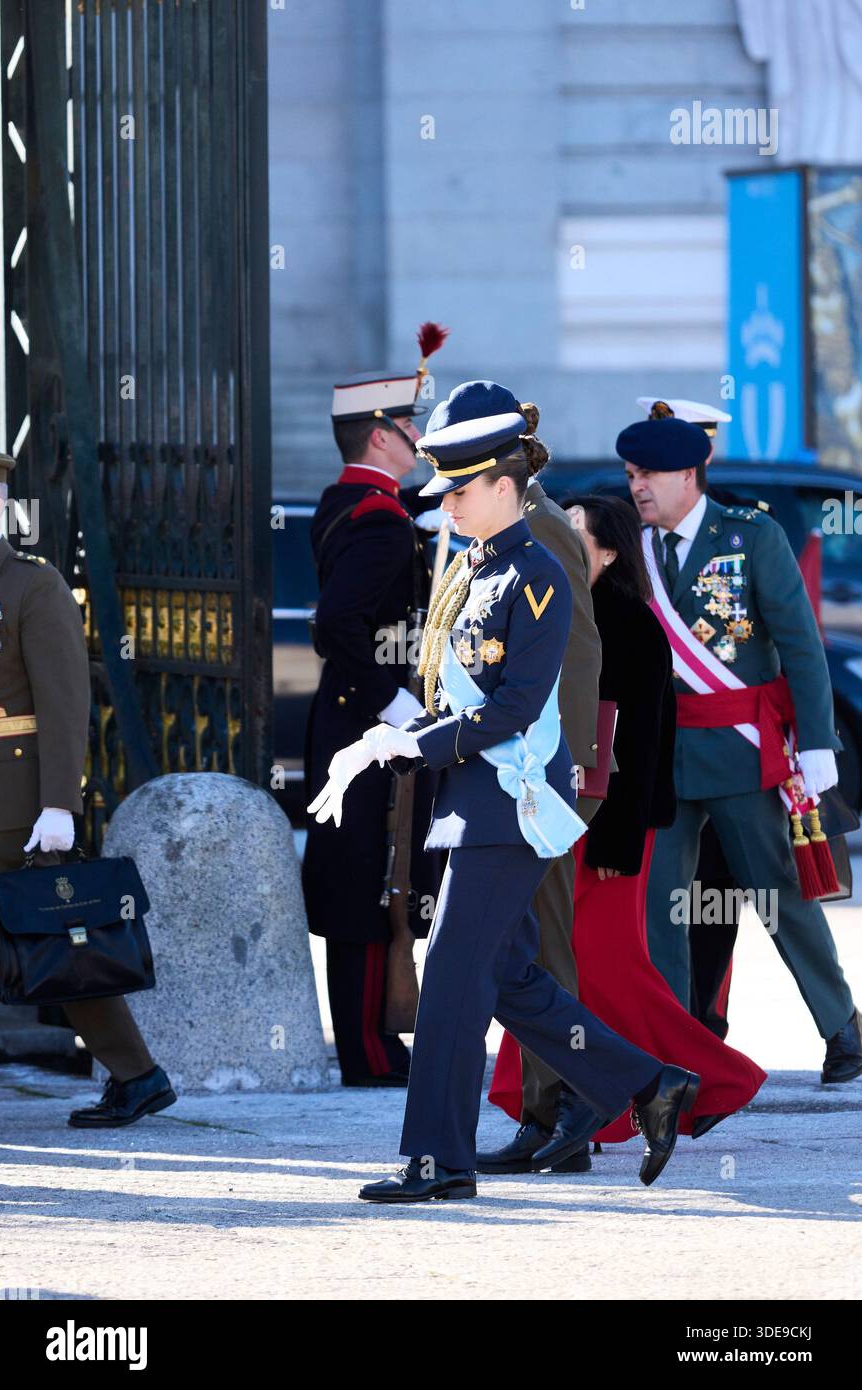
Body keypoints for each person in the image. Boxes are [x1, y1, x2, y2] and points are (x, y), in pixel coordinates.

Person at [308, 383, 700, 1202]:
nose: (443, 502)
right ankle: (647, 1083)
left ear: (502, 486)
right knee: (512, 979)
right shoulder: (476, 567)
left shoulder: (537, 574)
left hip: (511, 804)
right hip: (473, 802)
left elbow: (515, 706)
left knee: (453, 984)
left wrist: (400, 743)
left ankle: (436, 1161)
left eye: (457, 488)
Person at [488, 494, 767, 1152]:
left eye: (573, 534)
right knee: (560, 967)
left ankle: (697, 1081)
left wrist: (616, 837)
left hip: (610, 831)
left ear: (608, 551)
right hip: (564, 820)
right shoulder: (556, 612)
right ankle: (575, 1109)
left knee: (609, 972)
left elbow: (641, 745)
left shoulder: (630, 622)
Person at [619, 415, 862, 1088]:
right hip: (663, 757)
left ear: (687, 475)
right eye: (631, 475)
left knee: (778, 892)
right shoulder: (632, 548)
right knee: (662, 905)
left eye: (647, 476)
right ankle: (676, 1044)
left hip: (740, 752)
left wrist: (817, 742)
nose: (636, 487)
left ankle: (842, 1027)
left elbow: (802, 646)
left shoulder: (751, 538)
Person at [0, 453, 175, 1127]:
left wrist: (58, 805)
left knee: (53, 944)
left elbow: (64, 702)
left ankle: (137, 1074)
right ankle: (138, 1074)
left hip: (13, 801)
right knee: (46, 946)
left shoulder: (30, 587)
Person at [302, 329, 446, 1087]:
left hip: (353, 717)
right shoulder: (382, 523)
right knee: (371, 881)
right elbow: (336, 625)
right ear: (380, 435)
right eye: (409, 427)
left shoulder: (358, 504)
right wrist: (392, 702)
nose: (419, 437)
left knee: (378, 874)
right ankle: (368, 1049)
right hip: (370, 720)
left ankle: (374, 1044)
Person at [472, 397, 603, 1177]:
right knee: (517, 942)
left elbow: (579, 652)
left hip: (541, 770)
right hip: (507, 764)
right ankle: (546, 1113)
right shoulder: (499, 527)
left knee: (542, 944)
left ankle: (570, 1110)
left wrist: (570, 769)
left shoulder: (542, 525)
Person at [637, 397, 743, 1040]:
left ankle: (707, 1017)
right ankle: (673, 1027)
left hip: (727, 742)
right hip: (660, 745)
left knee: (720, 892)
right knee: (659, 901)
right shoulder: (633, 532)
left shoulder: (739, 528)